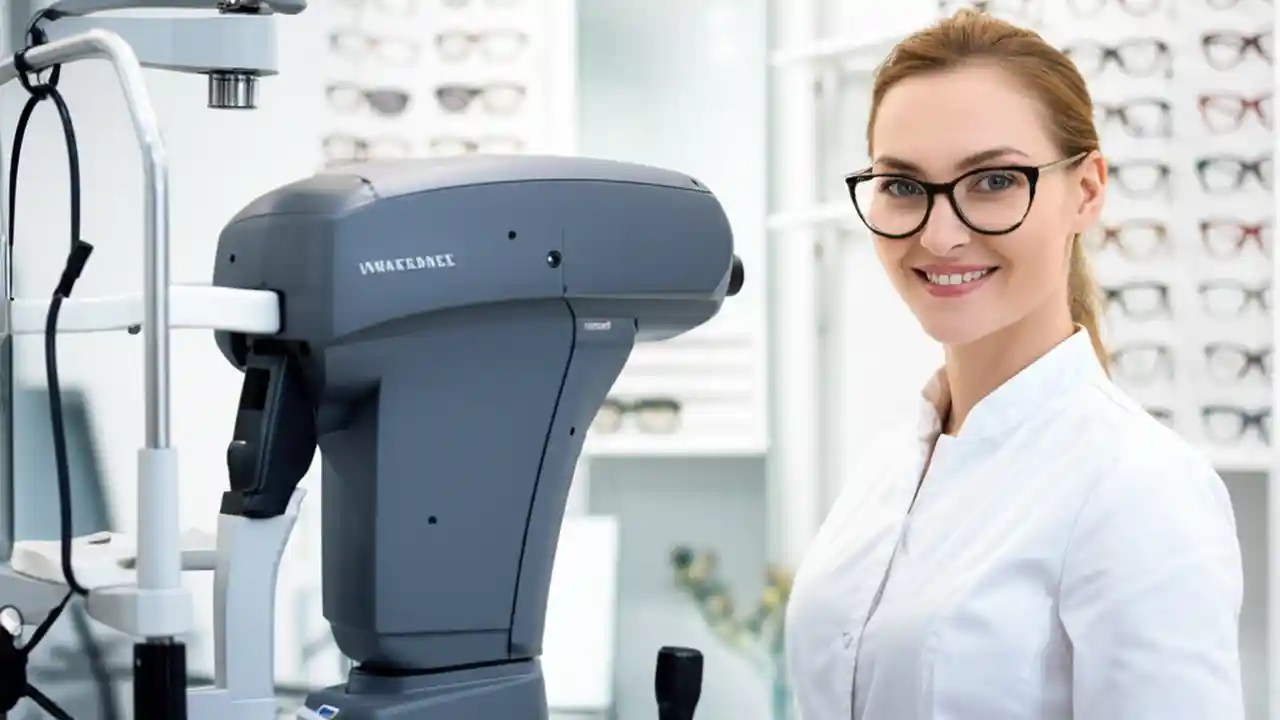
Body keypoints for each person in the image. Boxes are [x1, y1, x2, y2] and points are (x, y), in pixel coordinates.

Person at [783, 9, 1245, 720]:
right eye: (903, 186)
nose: (940, 235)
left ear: (1086, 190)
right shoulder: (886, 470)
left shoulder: (1141, 490)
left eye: (993, 181)